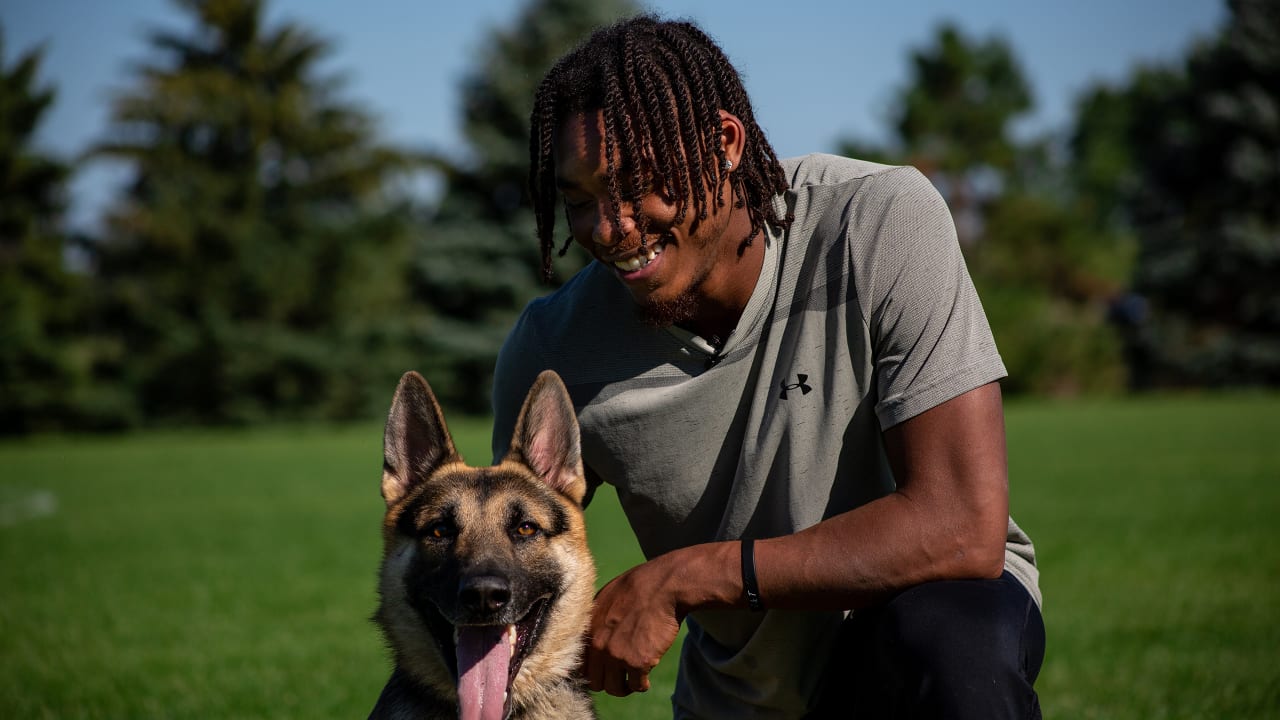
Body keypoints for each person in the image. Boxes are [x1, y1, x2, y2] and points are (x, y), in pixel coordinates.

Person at [491, 15, 1044, 719]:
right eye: (579, 200)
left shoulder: (876, 221)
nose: (610, 226)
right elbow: (507, 572)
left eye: (637, 184)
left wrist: (687, 576)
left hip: (916, 651)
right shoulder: (554, 352)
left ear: (725, 143)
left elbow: (962, 528)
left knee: (953, 631)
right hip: (747, 702)